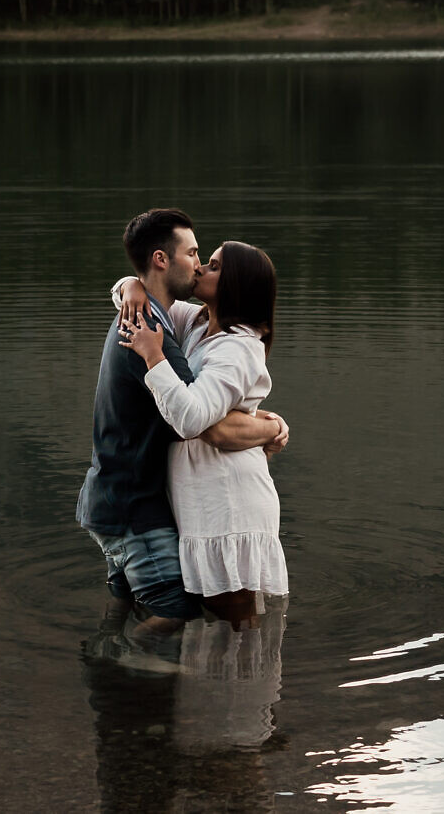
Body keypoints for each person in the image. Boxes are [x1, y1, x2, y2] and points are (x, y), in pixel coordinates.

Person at [78, 209, 286, 642]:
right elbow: (143, 294)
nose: (199, 266)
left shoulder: (237, 348)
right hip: (189, 497)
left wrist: (271, 427)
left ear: (233, 284)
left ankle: (132, 667)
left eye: (211, 264)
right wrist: (132, 285)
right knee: (201, 614)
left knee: (237, 627)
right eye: (197, 256)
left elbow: (195, 419)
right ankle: (129, 667)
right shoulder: (191, 322)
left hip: (227, 500)